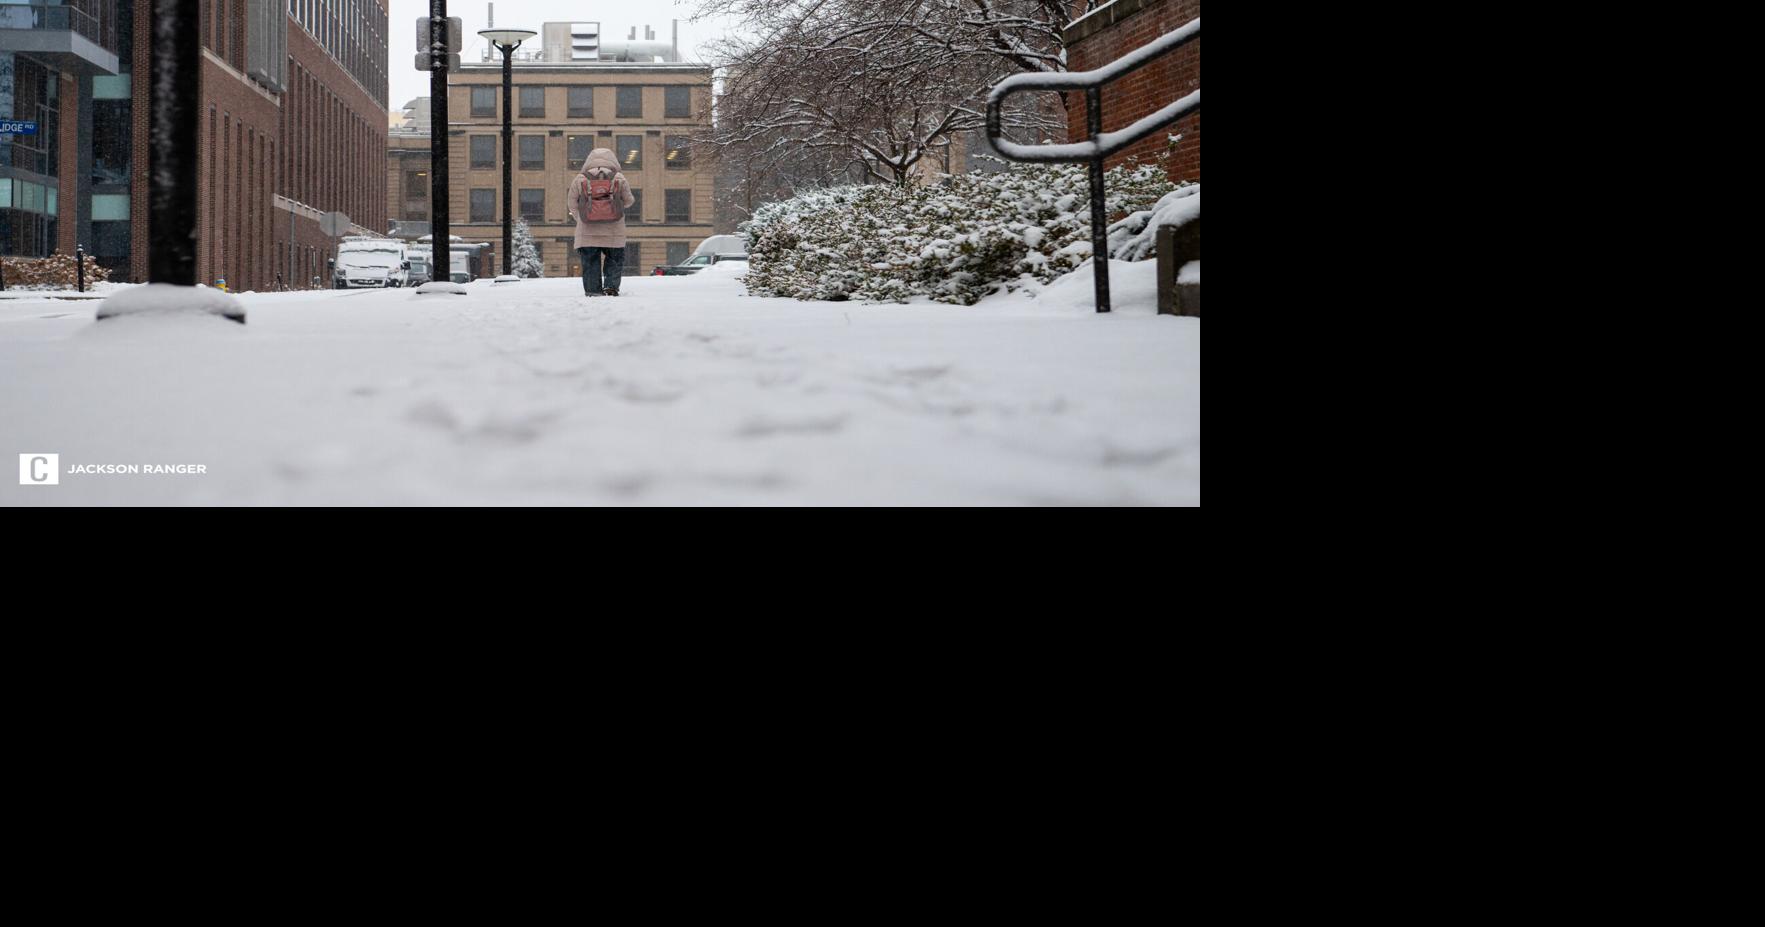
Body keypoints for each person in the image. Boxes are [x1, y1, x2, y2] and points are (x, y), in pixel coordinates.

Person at [569, 148, 636, 297]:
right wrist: (613, 207)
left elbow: (572, 203)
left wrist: (582, 218)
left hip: (587, 231)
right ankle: (610, 287)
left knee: (590, 261)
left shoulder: (580, 179)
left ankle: (593, 290)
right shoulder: (619, 178)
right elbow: (629, 201)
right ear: (613, 161)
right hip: (614, 230)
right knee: (614, 259)